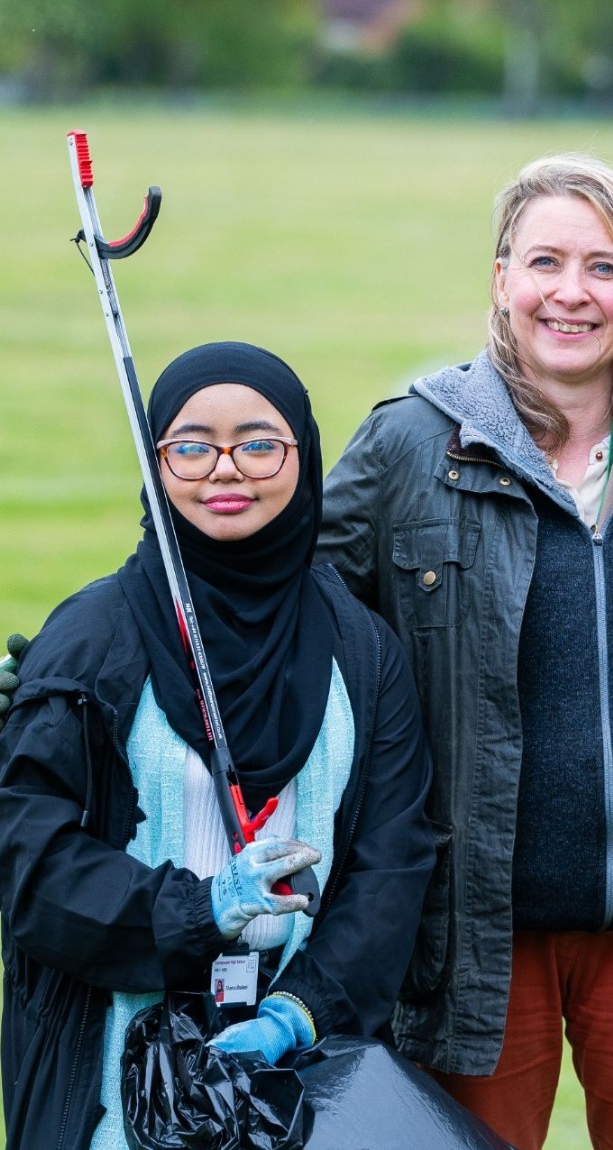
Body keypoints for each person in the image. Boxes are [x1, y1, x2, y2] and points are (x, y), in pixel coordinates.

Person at [317, 153, 613, 1149]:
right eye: (545, 262)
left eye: (604, 267)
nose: (571, 292)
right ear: (502, 281)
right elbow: (284, 608)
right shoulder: (409, 445)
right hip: (469, 937)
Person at [0, 342, 435, 1150]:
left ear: (304, 455)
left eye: (259, 444)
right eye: (191, 447)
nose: (225, 469)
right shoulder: (89, 640)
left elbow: (393, 861)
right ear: (156, 461)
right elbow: (32, 870)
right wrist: (199, 911)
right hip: (108, 1070)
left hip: (298, 1071)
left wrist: (299, 1012)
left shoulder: (363, 650)